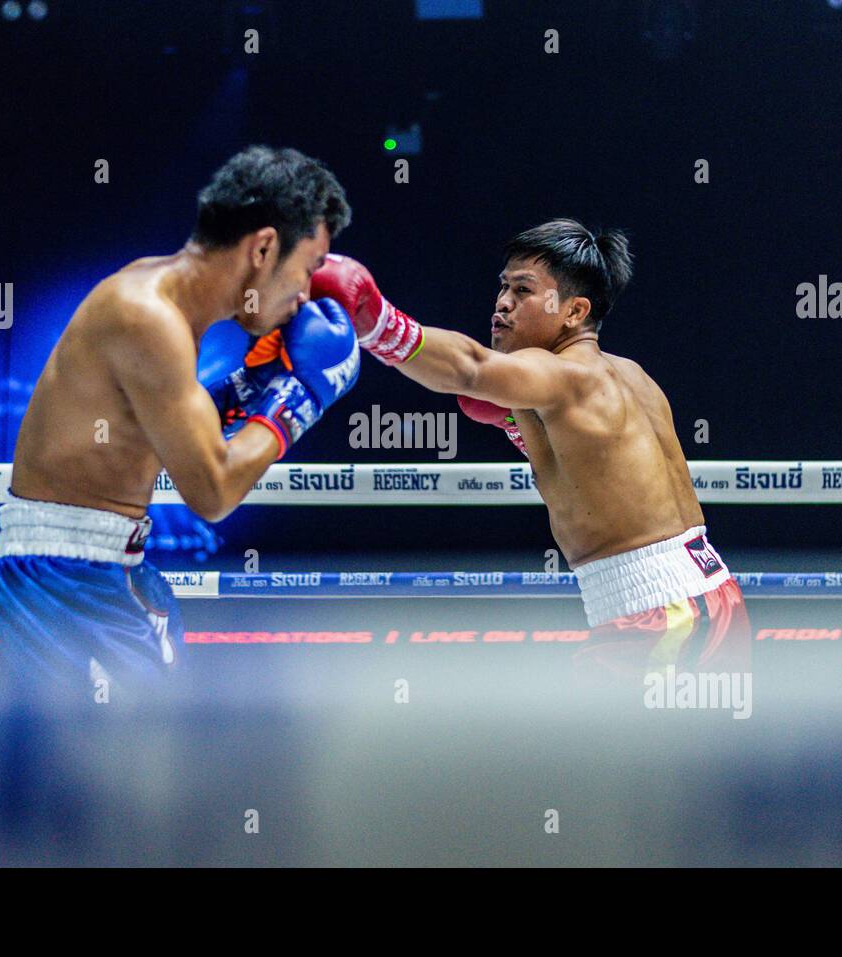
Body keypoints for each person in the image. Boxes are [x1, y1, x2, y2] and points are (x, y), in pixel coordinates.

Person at [0, 146, 359, 700]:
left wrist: (251, 389)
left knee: (150, 742)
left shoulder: (158, 297)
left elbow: (150, 429)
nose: (305, 294)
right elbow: (213, 491)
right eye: (307, 269)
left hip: (101, 566)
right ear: (263, 248)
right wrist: (300, 396)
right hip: (69, 576)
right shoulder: (149, 317)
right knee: (135, 749)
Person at [311, 219, 750, 686]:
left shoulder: (564, 376)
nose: (502, 302)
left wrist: (375, 320)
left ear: (574, 311)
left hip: (663, 616)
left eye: (523, 290)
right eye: (503, 287)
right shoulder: (631, 375)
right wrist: (521, 428)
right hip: (704, 595)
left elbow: (469, 368)